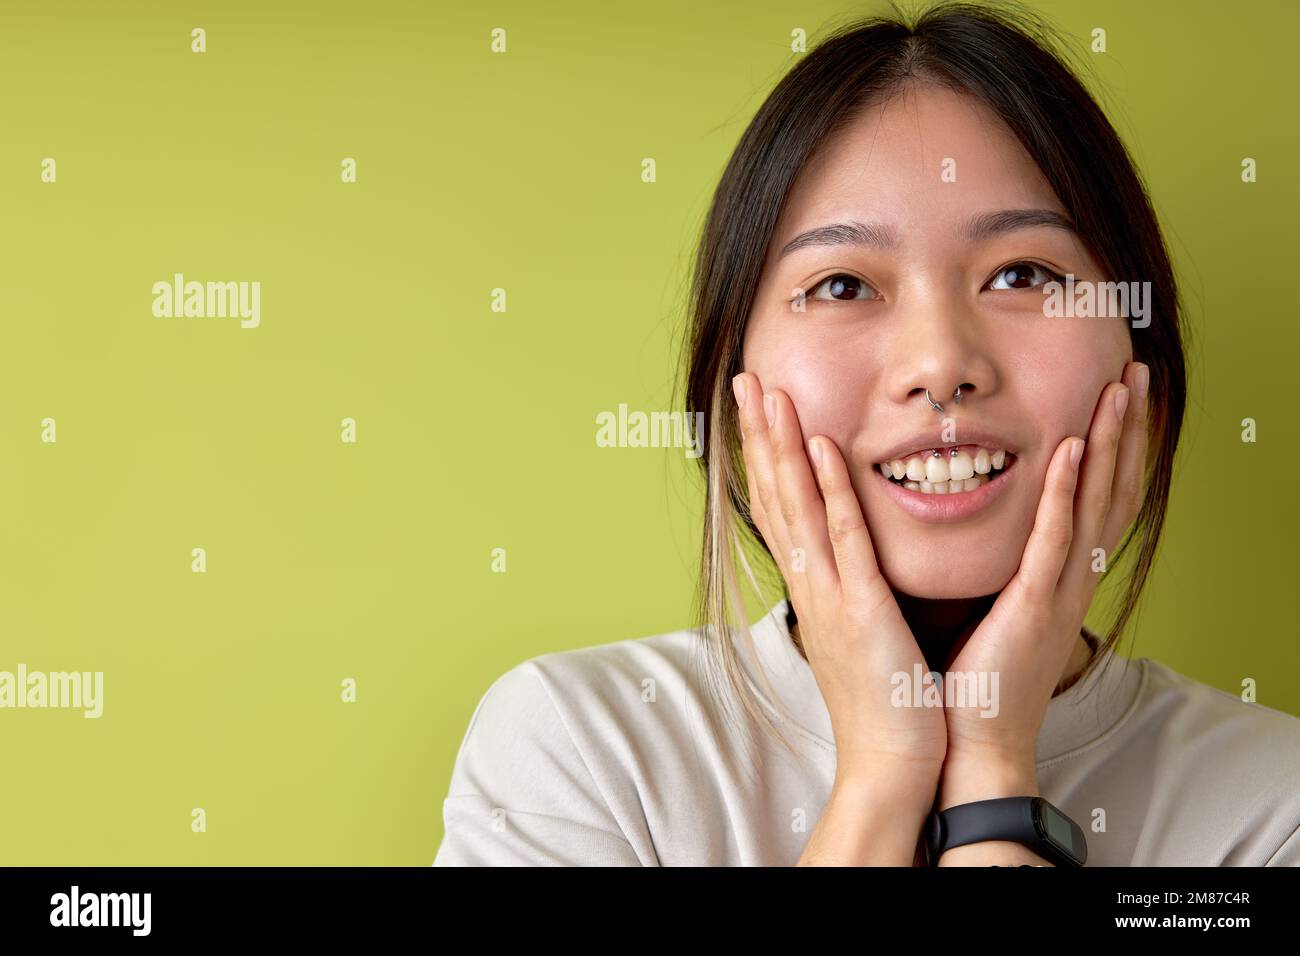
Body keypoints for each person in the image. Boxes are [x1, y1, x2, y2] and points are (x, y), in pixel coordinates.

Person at [433, 1, 1300, 866]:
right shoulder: (581, 752)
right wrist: (882, 776)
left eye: (1023, 273)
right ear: (734, 387)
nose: (939, 365)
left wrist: (994, 770)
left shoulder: (1273, 805)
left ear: (1138, 356)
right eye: (843, 285)